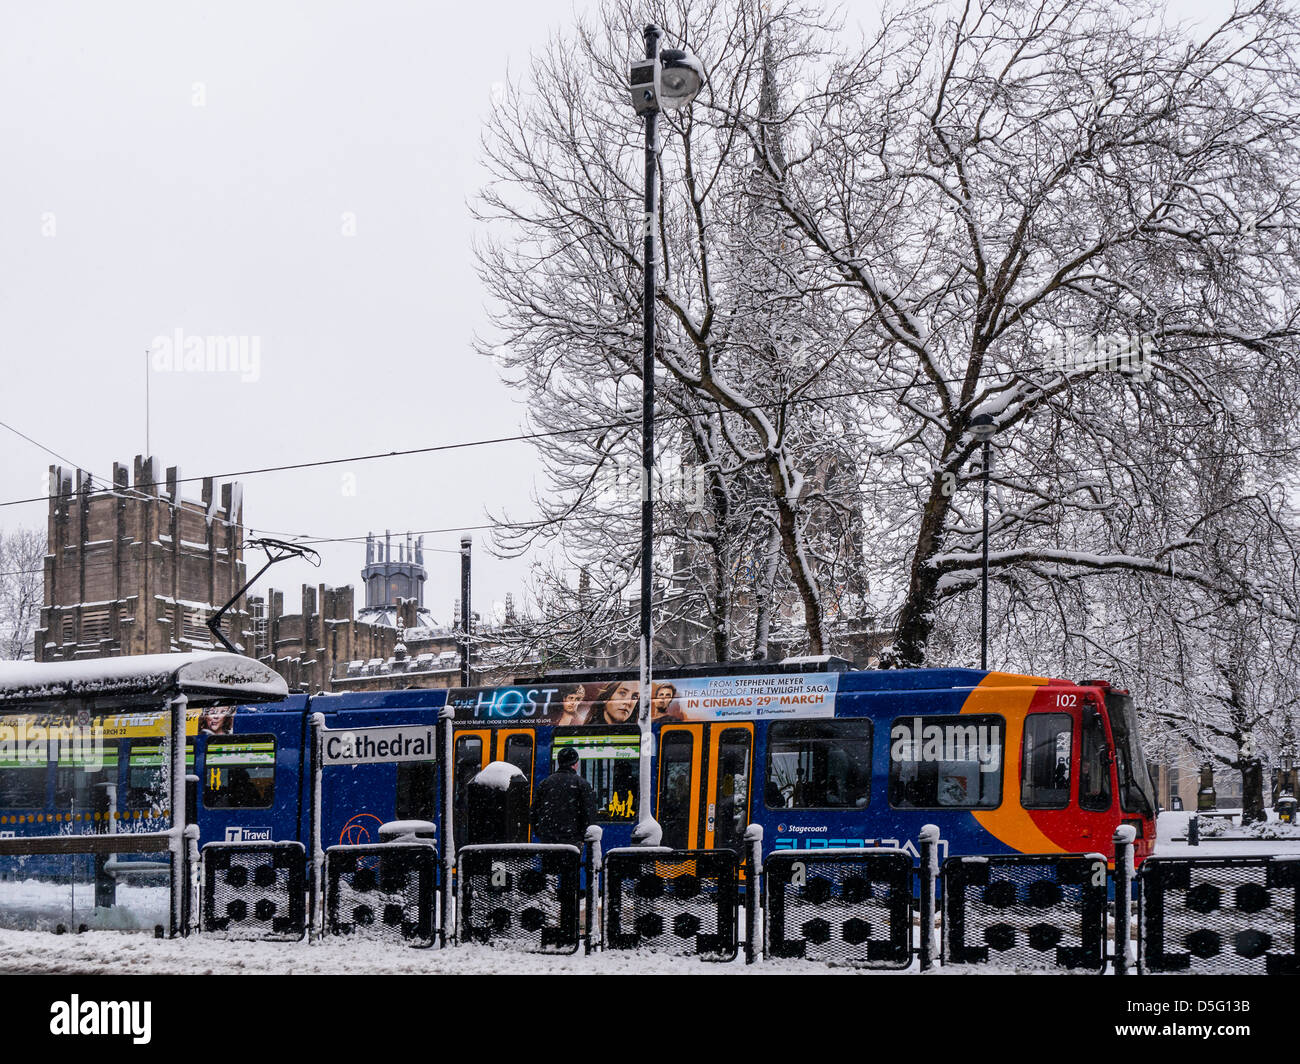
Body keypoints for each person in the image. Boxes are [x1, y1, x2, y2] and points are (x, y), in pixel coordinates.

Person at [530, 746, 598, 847]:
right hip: (572, 842)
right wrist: (582, 836)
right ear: (575, 764)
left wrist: (542, 833)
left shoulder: (545, 783)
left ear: (559, 762)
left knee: (549, 863)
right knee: (571, 862)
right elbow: (589, 814)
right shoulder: (582, 784)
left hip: (548, 842)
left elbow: (533, 813)